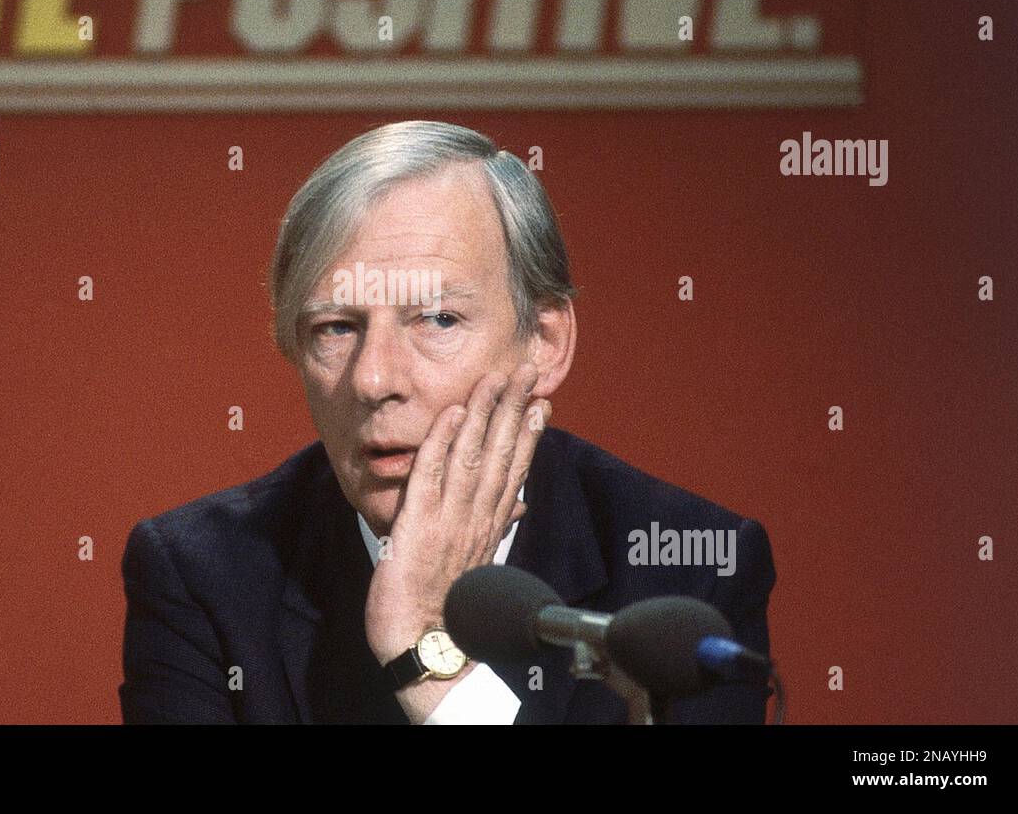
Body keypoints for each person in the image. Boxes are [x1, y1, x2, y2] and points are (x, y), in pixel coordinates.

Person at [120, 121, 776, 724]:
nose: (375, 380)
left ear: (543, 343)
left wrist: (424, 653)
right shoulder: (202, 574)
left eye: (437, 320)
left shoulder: (688, 568)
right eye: (336, 328)